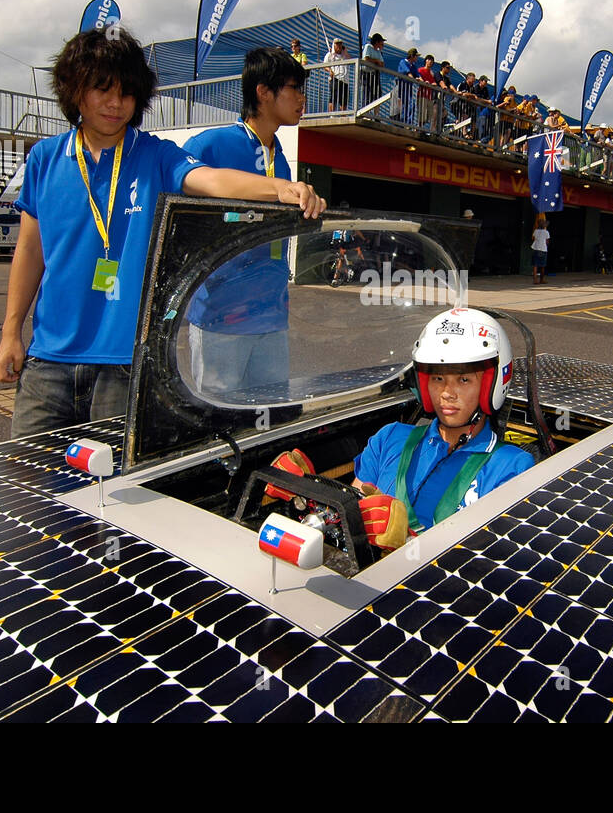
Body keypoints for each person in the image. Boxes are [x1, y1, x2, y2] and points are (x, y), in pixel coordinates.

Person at [0, 30, 324, 437]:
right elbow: (29, 252)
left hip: (126, 364)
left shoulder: (155, 154)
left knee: (114, 494)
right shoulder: (45, 158)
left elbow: (212, 179)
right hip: (48, 362)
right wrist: (10, 333)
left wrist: (281, 189)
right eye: (102, 89)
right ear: (74, 90)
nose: (116, 104)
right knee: (32, 485)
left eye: (128, 93)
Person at [183, 47, 321, 395]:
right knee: (220, 422)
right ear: (262, 91)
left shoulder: (282, 161)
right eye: (295, 88)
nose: (303, 98)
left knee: (269, 418)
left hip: (272, 315)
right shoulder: (209, 147)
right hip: (221, 317)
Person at [351, 308, 534, 547]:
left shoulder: (512, 467)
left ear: (492, 384)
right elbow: (350, 510)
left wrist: (406, 539)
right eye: (438, 379)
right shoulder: (389, 438)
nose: (447, 393)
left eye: (464, 379)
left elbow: (496, 557)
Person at [323, 38, 351, 112]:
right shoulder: (330, 54)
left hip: (345, 79)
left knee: (344, 99)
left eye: (340, 44)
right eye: (337, 44)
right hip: (335, 78)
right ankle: (331, 115)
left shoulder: (344, 54)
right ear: (334, 45)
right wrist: (330, 70)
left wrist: (345, 51)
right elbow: (325, 66)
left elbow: (350, 59)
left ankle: (343, 115)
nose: (339, 46)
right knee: (333, 97)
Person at [360, 32, 385, 108]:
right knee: (367, 93)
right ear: (377, 42)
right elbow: (366, 59)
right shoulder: (368, 47)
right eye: (381, 42)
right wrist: (376, 61)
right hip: (366, 73)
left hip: (373, 74)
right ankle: (365, 113)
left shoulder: (378, 52)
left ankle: (375, 115)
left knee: (377, 94)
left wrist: (376, 62)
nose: (382, 44)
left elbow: (382, 64)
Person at [531, 214, 550, 284]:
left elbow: (534, 238)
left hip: (535, 249)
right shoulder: (546, 232)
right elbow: (547, 241)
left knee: (535, 265)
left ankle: (535, 280)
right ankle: (541, 280)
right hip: (543, 250)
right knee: (542, 266)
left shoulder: (536, 231)